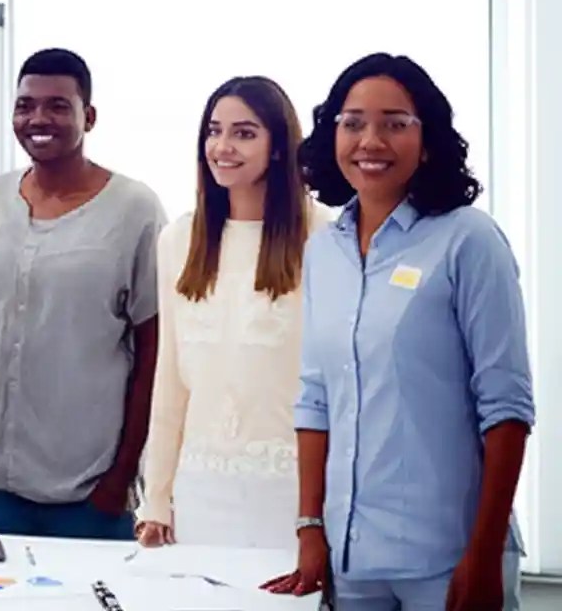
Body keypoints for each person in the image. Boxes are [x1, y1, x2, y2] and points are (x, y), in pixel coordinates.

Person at [262, 53, 534, 610]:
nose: (371, 140)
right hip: (352, 559)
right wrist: (311, 528)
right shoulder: (324, 252)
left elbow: (507, 408)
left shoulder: (468, 241)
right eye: (353, 122)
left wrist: (482, 556)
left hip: (448, 555)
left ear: (426, 139)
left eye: (395, 123)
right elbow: (315, 400)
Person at [0, 47, 166, 539]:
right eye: (25, 105)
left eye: (57, 106)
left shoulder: (134, 208)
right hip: (1, 482)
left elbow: (155, 350)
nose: (37, 118)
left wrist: (123, 474)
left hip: (91, 488)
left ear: (88, 117)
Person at [136, 76, 330, 551]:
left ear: (279, 147)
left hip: (291, 497)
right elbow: (170, 379)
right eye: (213, 131)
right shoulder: (179, 240)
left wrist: (320, 512)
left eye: (244, 133)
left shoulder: (325, 238)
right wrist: (156, 498)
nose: (222, 146)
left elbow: (334, 384)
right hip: (200, 492)